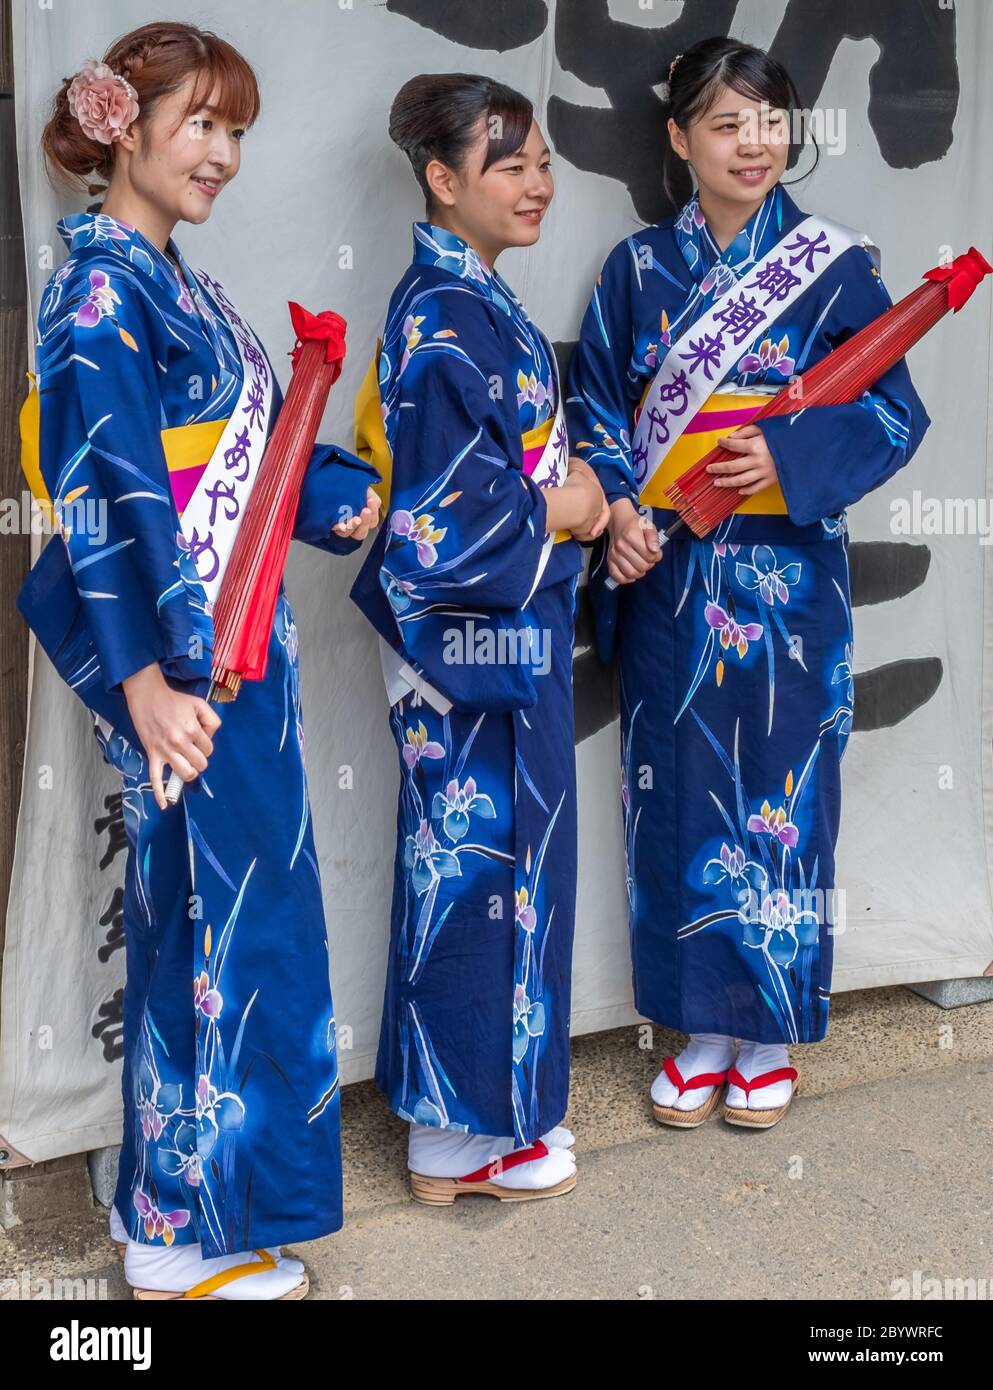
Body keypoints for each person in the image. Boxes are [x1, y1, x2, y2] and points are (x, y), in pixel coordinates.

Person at [19, 21, 380, 1298]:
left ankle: (190, 1211)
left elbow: (247, 456)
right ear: (126, 124)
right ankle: (180, 1231)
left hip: (233, 660)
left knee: (234, 922)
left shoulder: (176, 280)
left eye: (237, 131)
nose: (225, 155)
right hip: (187, 674)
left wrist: (345, 494)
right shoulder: (103, 289)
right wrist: (143, 680)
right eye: (204, 125)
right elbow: (110, 494)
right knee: (213, 929)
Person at [566, 36, 930, 1129]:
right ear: (679, 141)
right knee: (672, 796)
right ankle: (695, 1025)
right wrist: (621, 514)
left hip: (788, 580)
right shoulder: (636, 271)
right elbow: (593, 411)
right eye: (727, 124)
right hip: (675, 573)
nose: (755, 143)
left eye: (770, 121)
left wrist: (791, 459)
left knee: (780, 797)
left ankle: (767, 1027)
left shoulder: (832, 265)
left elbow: (894, 409)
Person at [351, 73, 607, 1201]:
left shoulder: (476, 301)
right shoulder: (441, 314)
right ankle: (458, 1135)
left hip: (509, 634)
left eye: (543, 161)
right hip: (473, 644)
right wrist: (571, 506)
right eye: (511, 165)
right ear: (444, 181)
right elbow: (446, 521)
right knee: (474, 866)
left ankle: (471, 1121)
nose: (537, 183)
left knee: (496, 863)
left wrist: (597, 498)